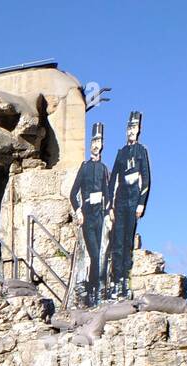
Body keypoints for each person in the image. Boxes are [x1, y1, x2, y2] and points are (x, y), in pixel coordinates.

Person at [105, 111, 151, 300]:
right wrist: (110, 206)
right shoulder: (121, 153)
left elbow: (146, 178)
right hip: (120, 198)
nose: (131, 131)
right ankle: (115, 280)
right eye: (129, 128)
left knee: (127, 241)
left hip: (133, 197)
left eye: (134, 128)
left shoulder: (141, 150)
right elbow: (113, 178)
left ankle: (125, 280)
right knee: (117, 241)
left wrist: (141, 203)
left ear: (139, 129)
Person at [69, 123, 110, 307]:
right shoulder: (84, 167)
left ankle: (98, 289)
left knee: (100, 254)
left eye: (99, 141)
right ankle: (90, 288)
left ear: (102, 144)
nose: (96, 144)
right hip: (87, 213)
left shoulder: (103, 169)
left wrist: (109, 212)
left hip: (99, 213)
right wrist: (78, 211)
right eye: (94, 140)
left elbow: (108, 194)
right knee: (93, 253)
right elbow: (73, 192)